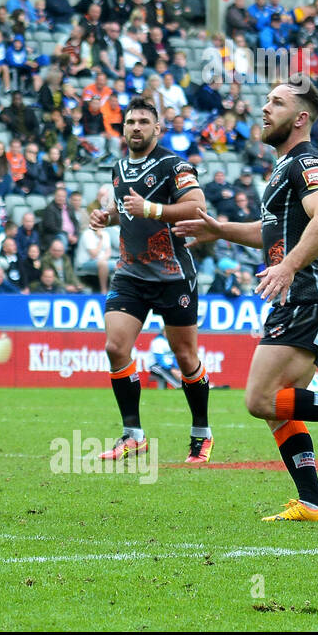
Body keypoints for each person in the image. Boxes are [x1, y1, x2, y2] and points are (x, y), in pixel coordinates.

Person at [174, 83, 318, 521]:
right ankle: (313, 502)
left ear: (301, 118)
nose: (265, 108)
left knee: (260, 399)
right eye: (267, 100)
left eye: (277, 102)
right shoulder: (283, 167)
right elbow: (269, 231)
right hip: (298, 298)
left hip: (308, 296)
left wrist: (289, 266)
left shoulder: (307, 161)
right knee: (282, 403)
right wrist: (220, 230)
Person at [88, 99, 213, 463]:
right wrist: (107, 217)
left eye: (144, 121)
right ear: (123, 129)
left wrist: (153, 209)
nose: (137, 127)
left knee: (185, 356)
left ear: (158, 128)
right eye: (130, 122)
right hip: (130, 274)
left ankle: (201, 433)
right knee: (115, 347)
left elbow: (197, 207)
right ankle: (133, 434)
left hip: (173, 276)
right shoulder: (118, 168)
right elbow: (130, 213)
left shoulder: (174, 166)